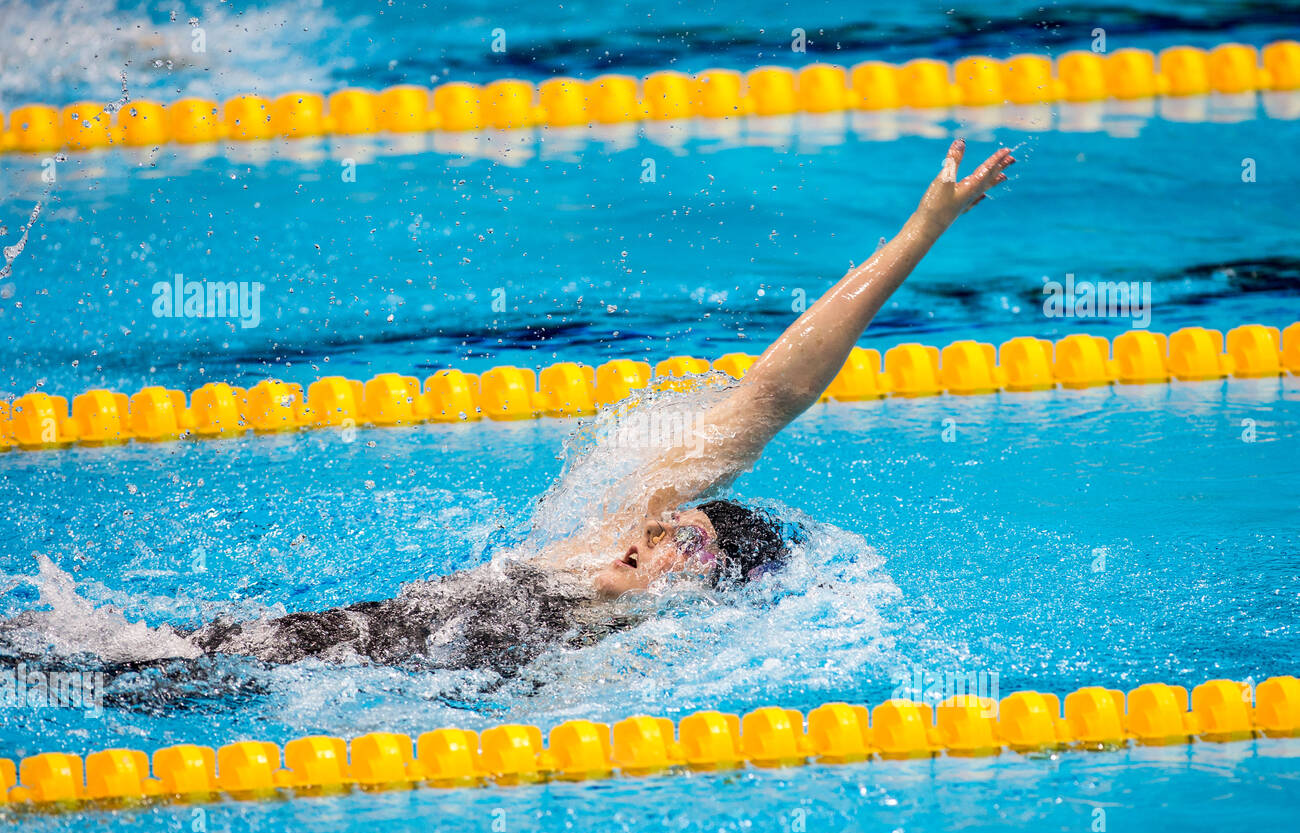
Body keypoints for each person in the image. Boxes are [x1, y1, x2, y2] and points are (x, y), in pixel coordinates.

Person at [191, 140, 1016, 675]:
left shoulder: (647, 658)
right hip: (339, 645)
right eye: (665, 527)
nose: (650, 540)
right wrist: (925, 225)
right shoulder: (602, 538)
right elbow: (775, 392)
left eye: (684, 549)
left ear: (711, 593)